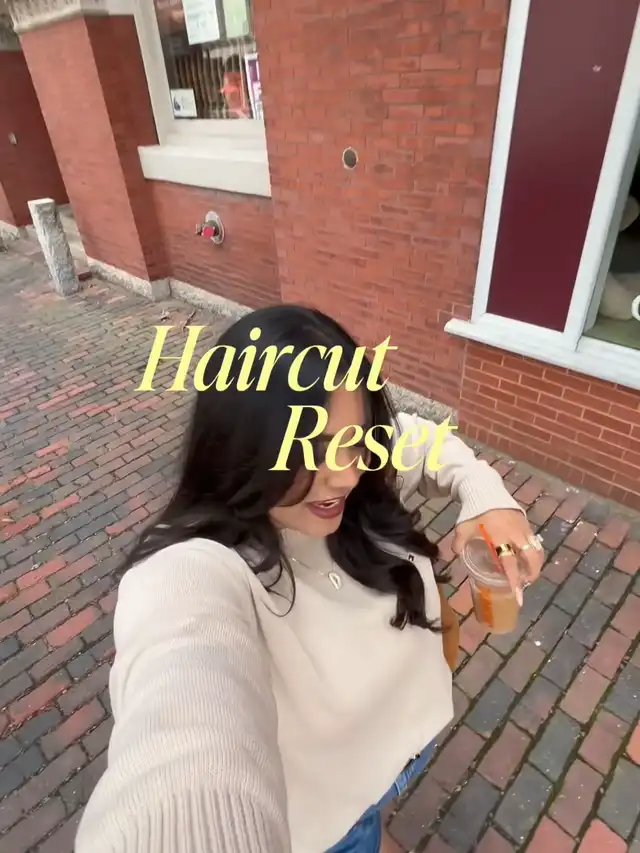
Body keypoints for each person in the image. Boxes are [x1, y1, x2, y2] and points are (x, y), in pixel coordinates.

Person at [74, 305, 543, 853]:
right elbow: (182, 715)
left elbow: (422, 438)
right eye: (310, 449)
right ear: (243, 446)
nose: (346, 475)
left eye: (355, 440)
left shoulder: (358, 473)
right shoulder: (196, 571)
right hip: (329, 826)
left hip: (406, 753)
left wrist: (488, 499)